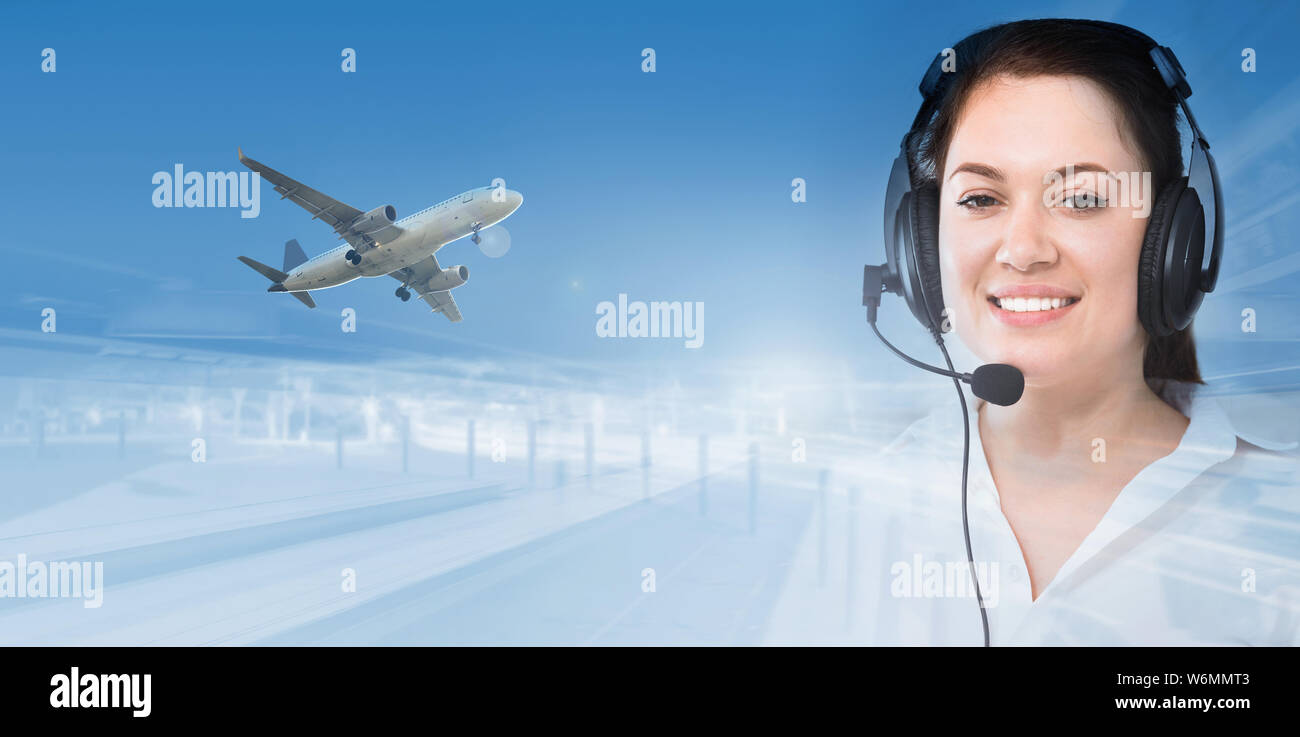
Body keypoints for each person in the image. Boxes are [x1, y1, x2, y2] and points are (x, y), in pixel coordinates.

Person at [765, 19, 1300, 646]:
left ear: (1176, 242)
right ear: (918, 246)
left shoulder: (1279, 518)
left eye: (1081, 199)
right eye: (980, 199)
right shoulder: (860, 508)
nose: (1022, 250)